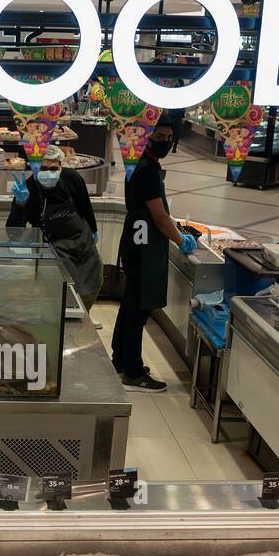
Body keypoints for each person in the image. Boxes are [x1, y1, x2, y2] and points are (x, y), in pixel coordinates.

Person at [111, 119, 197, 392]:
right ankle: (133, 374)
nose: (164, 141)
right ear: (148, 137)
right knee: (138, 310)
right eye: (159, 136)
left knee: (129, 305)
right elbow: (159, 217)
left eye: (168, 137)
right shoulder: (147, 170)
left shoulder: (137, 162)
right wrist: (180, 238)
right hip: (143, 247)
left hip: (135, 242)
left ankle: (121, 360)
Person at [6, 145, 103, 309]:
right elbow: (14, 231)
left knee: (86, 299)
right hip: (52, 255)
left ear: (61, 167)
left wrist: (93, 231)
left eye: (53, 168)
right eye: (43, 168)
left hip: (83, 251)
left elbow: (85, 208)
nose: (48, 173)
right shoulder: (27, 187)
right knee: (56, 305)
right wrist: (20, 204)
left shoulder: (72, 178)